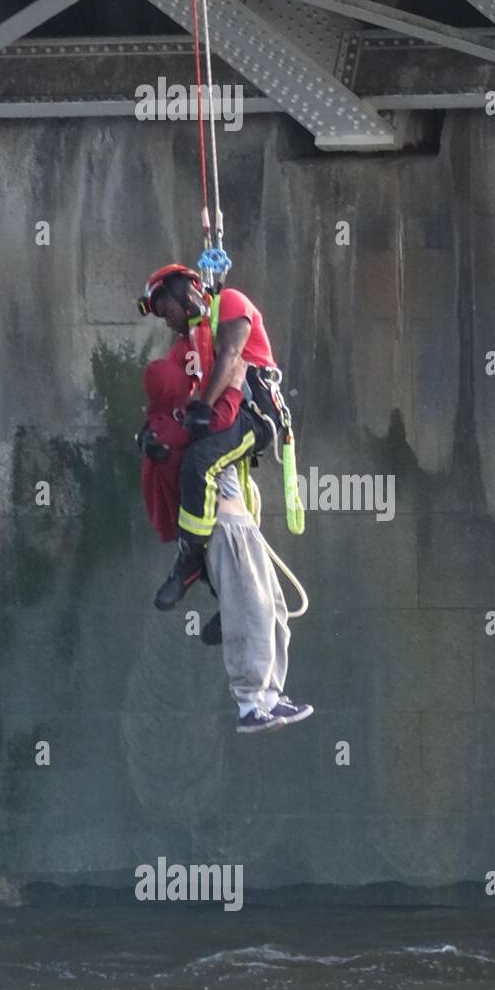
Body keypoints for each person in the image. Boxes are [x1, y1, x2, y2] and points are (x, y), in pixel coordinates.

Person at [138, 352, 312, 733]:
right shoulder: (189, 424)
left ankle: (268, 695)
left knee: (273, 606)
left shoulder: (167, 425)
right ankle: (251, 701)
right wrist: (234, 379)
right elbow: (222, 417)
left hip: (239, 522)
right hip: (224, 525)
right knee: (251, 605)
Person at [138, 264, 294, 610]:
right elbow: (169, 393)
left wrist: (205, 406)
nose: (168, 322)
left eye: (167, 312)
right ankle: (223, 591)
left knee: (199, 461)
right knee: (173, 461)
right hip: (218, 414)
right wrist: (151, 435)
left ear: (182, 292)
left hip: (255, 411)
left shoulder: (232, 304)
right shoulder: (186, 347)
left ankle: (190, 560)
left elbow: (231, 354)